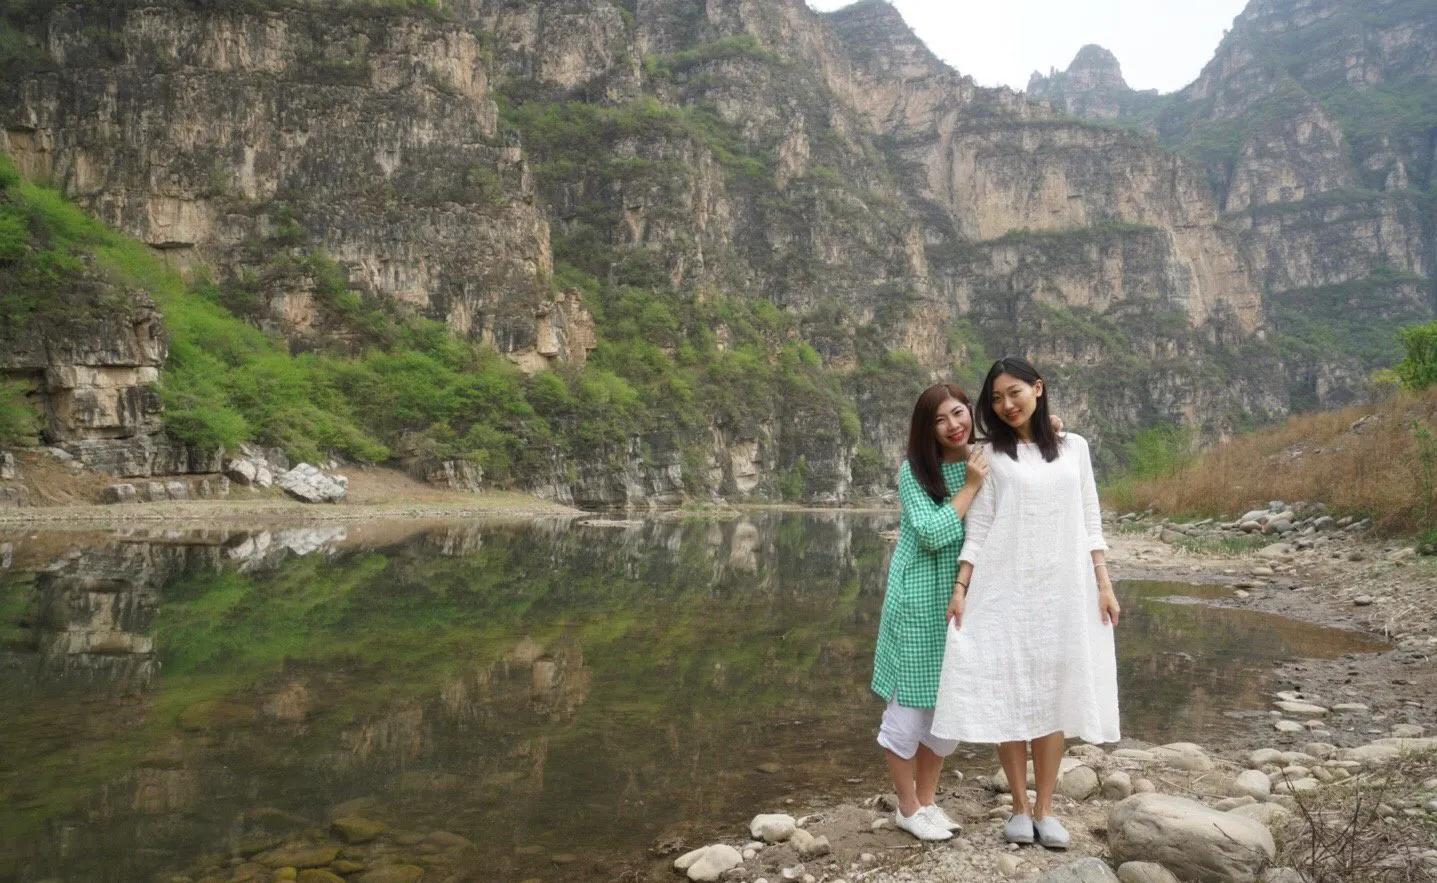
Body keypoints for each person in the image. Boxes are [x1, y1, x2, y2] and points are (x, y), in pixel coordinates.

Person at [930, 357, 1121, 851]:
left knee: (1054, 691)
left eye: (1014, 392)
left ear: (1038, 388)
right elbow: (981, 525)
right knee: (1009, 689)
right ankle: (1018, 807)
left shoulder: (1074, 448)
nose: (1006, 405)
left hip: (1063, 589)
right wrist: (961, 587)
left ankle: (1046, 809)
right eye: (996, 398)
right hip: (1005, 588)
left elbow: (1090, 518)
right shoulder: (990, 454)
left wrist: (1104, 582)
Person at [870, 382, 988, 841]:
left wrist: (1051, 428)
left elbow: (1030, 442)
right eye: (940, 420)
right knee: (909, 708)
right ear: (928, 429)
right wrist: (972, 488)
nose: (953, 426)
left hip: (964, 602)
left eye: (958, 413)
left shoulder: (985, 457)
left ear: (970, 412)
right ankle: (906, 806)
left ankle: (927, 801)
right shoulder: (915, 472)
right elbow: (931, 534)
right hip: (918, 603)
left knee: (946, 709)